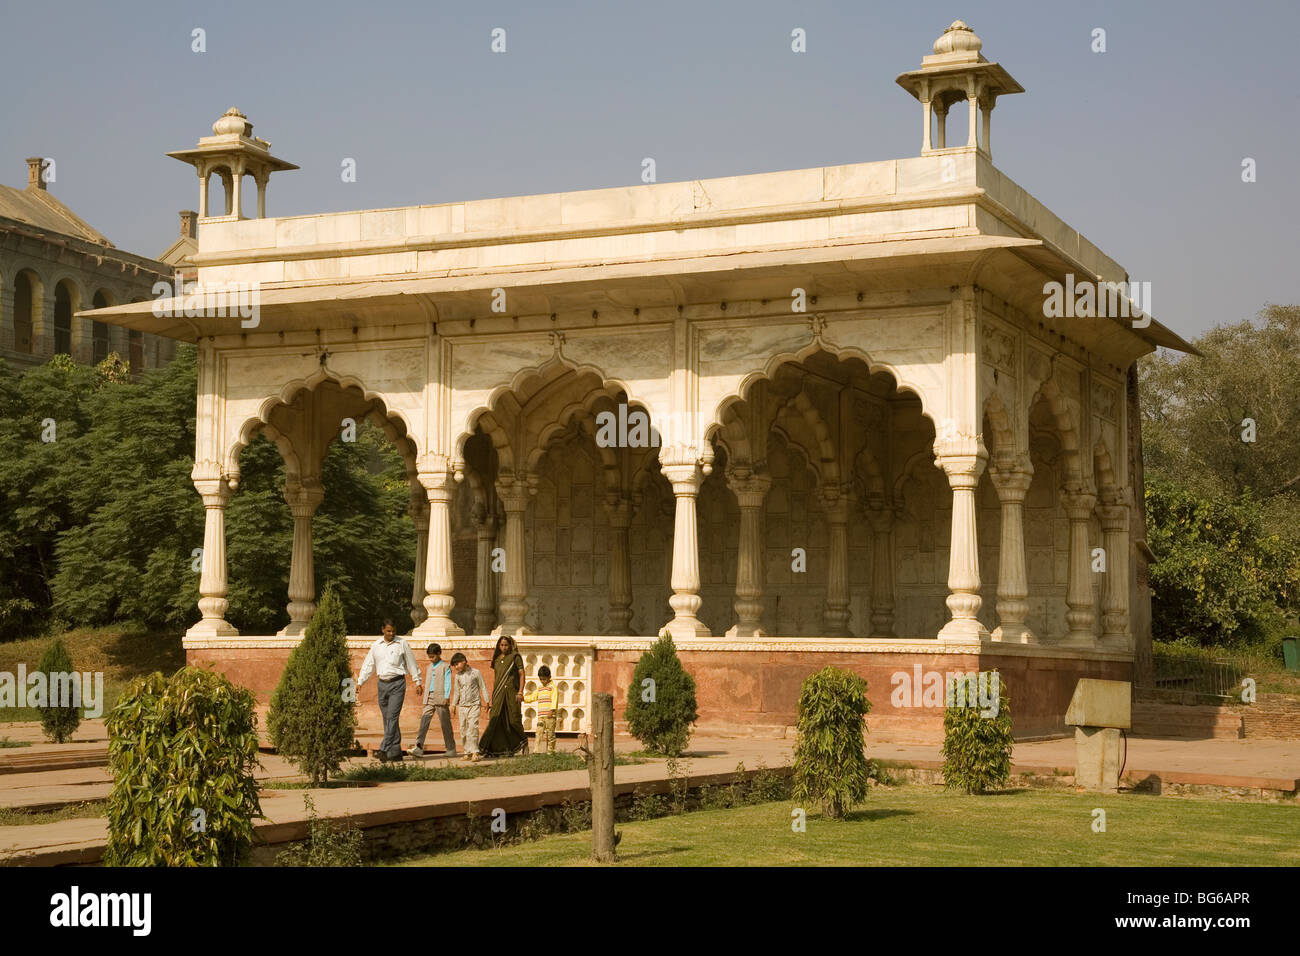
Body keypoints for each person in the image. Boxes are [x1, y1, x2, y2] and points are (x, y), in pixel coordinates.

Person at [356, 619, 421, 762]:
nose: (391, 634)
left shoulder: (401, 643)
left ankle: (384, 749)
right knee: (388, 719)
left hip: (397, 683)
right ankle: (396, 751)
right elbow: (369, 664)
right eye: (388, 631)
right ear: (383, 630)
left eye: (393, 631)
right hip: (382, 684)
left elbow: (411, 662)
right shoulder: (376, 646)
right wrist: (360, 681)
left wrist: (417, 681)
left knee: (391, 717)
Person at [478, 635, 529, 757]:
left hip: (512, 693)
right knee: (495, 719)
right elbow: (497, 678)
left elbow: (522, 674)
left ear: (510, 645)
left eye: (506, 645)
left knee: (513, 720)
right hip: (498, 694)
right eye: (501, 645)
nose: (504, 647)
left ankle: (524, 742)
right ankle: (488, 749)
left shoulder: (515, 657)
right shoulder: (496, 659)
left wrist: (520, 691)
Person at [411, 643, 456, 758]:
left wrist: (446, 696)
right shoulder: (429, 667)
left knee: (445, 724)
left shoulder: (445, 666)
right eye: (429, 657)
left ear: (439, 653)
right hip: (429, 697)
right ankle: (419, 747)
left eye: (433, 657)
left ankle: (450, 748)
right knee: (424, 722)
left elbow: (447, 682)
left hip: (441, 697)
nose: (431, 659)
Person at [449, 652, 489, 762]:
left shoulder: (476, 673)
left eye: (457, 664)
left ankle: (475, 751)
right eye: (454, 665)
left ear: (464, 661)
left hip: (474, 705)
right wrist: (453, 705)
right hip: (462, 706)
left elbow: (483, 687)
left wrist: (487, 701)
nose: (456, 667)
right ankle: (467, 752)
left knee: (473, 728)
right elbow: (457, 691)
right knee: (463, 729)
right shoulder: (458, 676)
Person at [522, 664, 560, 754]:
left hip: (550, 716)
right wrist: (524, 699)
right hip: (541, 716)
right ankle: (537, 751)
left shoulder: (553, 688)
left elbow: (555, 699)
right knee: (539, 733)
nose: (543, 681)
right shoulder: (539, 688)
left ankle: (551, 752)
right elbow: (533, 697)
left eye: (544, 679)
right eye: (541, 679)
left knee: (550, 734)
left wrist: (552, 710)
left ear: (549, 677)